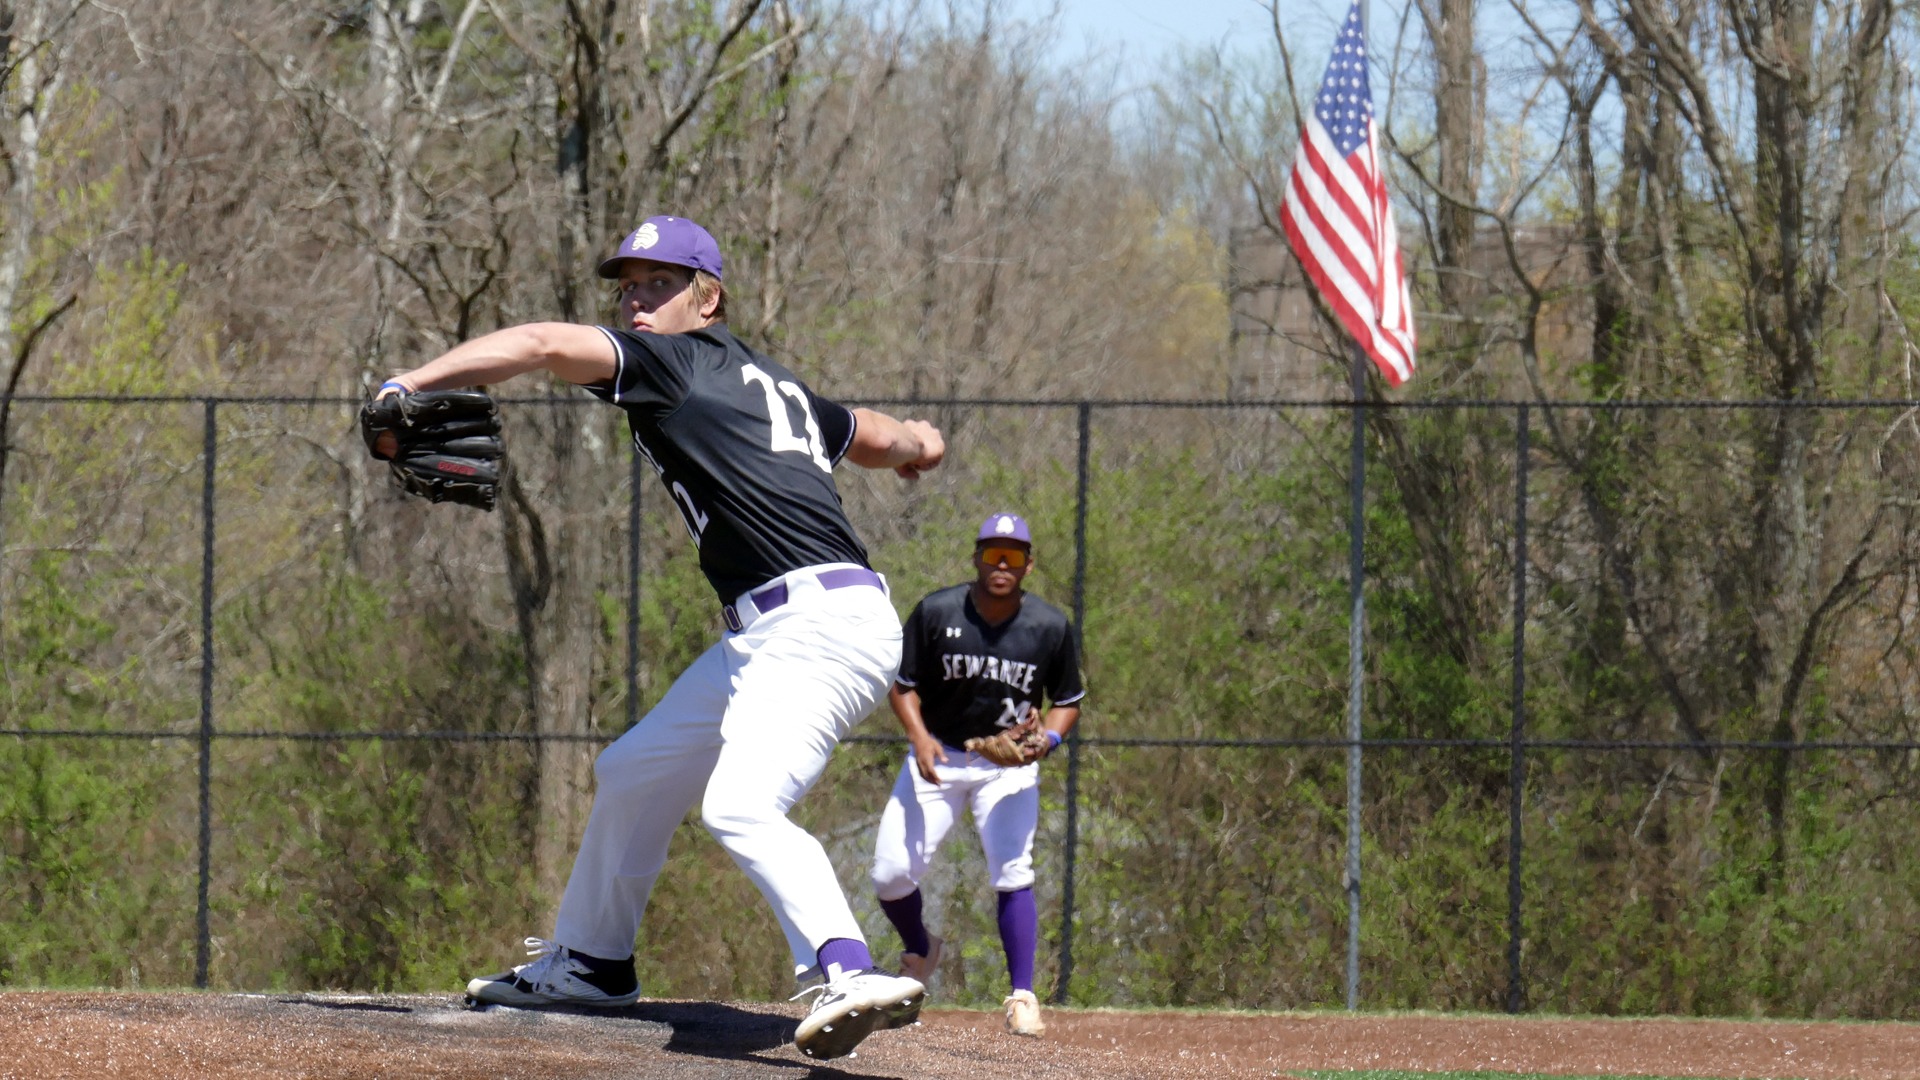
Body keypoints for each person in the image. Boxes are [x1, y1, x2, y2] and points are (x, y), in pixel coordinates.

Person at [373, 215, 944, 1061]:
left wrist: (409, 381)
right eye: (628, 286)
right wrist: (922, 447)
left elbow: (536, 341)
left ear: (706, 299)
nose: (637, 302)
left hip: (815, 628)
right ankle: (593, 962)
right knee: (633, 769)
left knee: (742, 805)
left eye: (659, 284)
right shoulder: (775, 388)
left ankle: (848, 967)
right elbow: (871, 430)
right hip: (780, 629)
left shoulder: (671, 365)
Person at [869, 512, 1085, 1038]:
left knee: (1013, 869)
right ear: (976, 557)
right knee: (890, 874)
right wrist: (919, 737)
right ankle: (921, 949)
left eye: (1013, 555)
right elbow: (903, 686)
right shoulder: (937, 610)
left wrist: (1049, 740)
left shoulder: (1050, 626)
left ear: (1029, 565)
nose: (1002, 564)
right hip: (939, 755)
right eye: (993, 553)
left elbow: (1069, 700)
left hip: (1004, 767)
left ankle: (1022, 996)